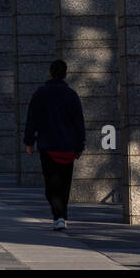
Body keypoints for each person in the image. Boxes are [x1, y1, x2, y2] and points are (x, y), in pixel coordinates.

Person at [24, 60, 86, 231]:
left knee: (51, 183)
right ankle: (61, 216)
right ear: (65, 74)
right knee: (65, 183)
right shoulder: (71, 94)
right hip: (68, 146)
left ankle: (58, 215)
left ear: (50, 73)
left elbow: (32, 119)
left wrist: (29, 141)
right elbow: (79, 122)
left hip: (48, 145)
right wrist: (80, 145)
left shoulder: (40, 93)